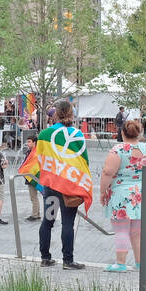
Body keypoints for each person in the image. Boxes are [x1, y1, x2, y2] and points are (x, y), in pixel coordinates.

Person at [33, 100, 91, 271]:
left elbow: (41, 158)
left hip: (51, 185)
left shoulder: (44, 134)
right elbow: (83, 161)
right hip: (68, 187)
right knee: (68, 224)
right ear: (72, 114)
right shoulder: (77, 135)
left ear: (56, 114)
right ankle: (68, 260)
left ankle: (45, 257)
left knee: (48, 221)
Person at [98, 120, 146, 273]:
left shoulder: (118, 150)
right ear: (139, 132)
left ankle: (120, 263)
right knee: (137, 232)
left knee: (121, 229)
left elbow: (108, 172)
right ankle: (140, 263)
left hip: (121, 193)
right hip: (142, 193)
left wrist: (103, 192)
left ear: (122, 133)